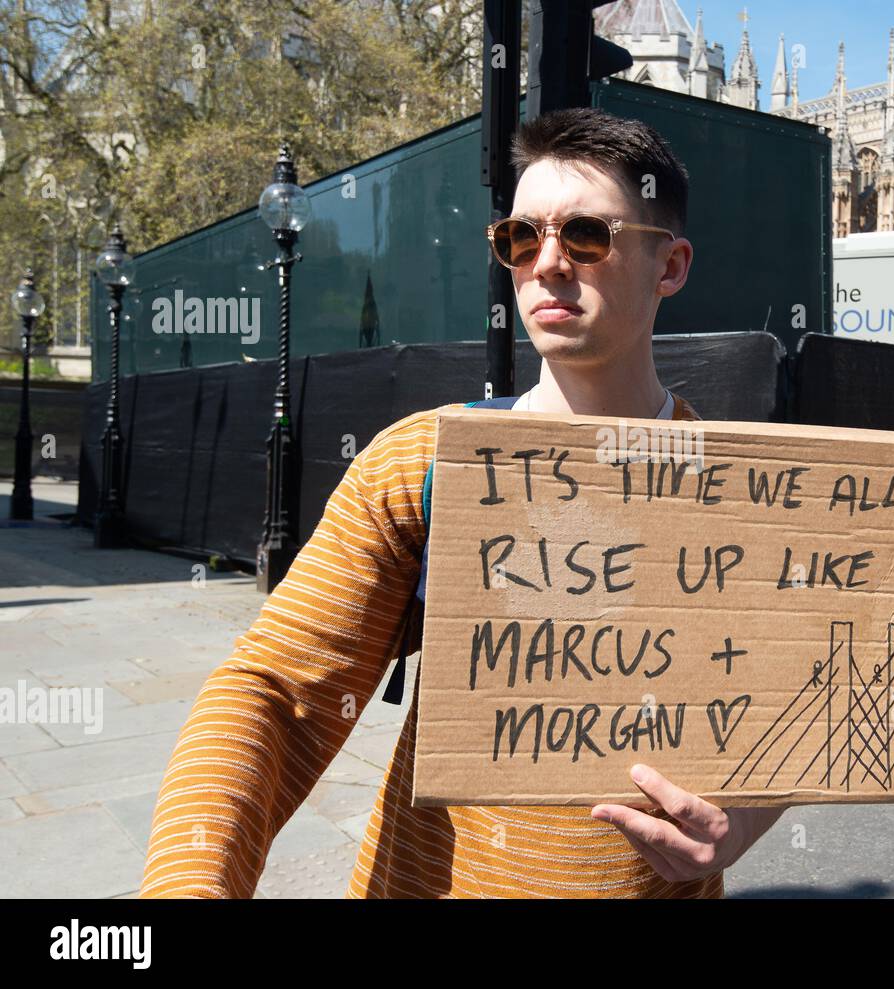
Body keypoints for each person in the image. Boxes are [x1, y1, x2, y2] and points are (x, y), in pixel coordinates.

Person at [141, 108, 784, 898]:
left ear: (670, 265)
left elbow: (842, 683)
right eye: (520, 238)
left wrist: (753, 811)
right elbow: (273, 691)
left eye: (586, 235)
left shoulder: (752, 490)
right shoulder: (421, 462)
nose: (546, 263)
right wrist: (189, 880)